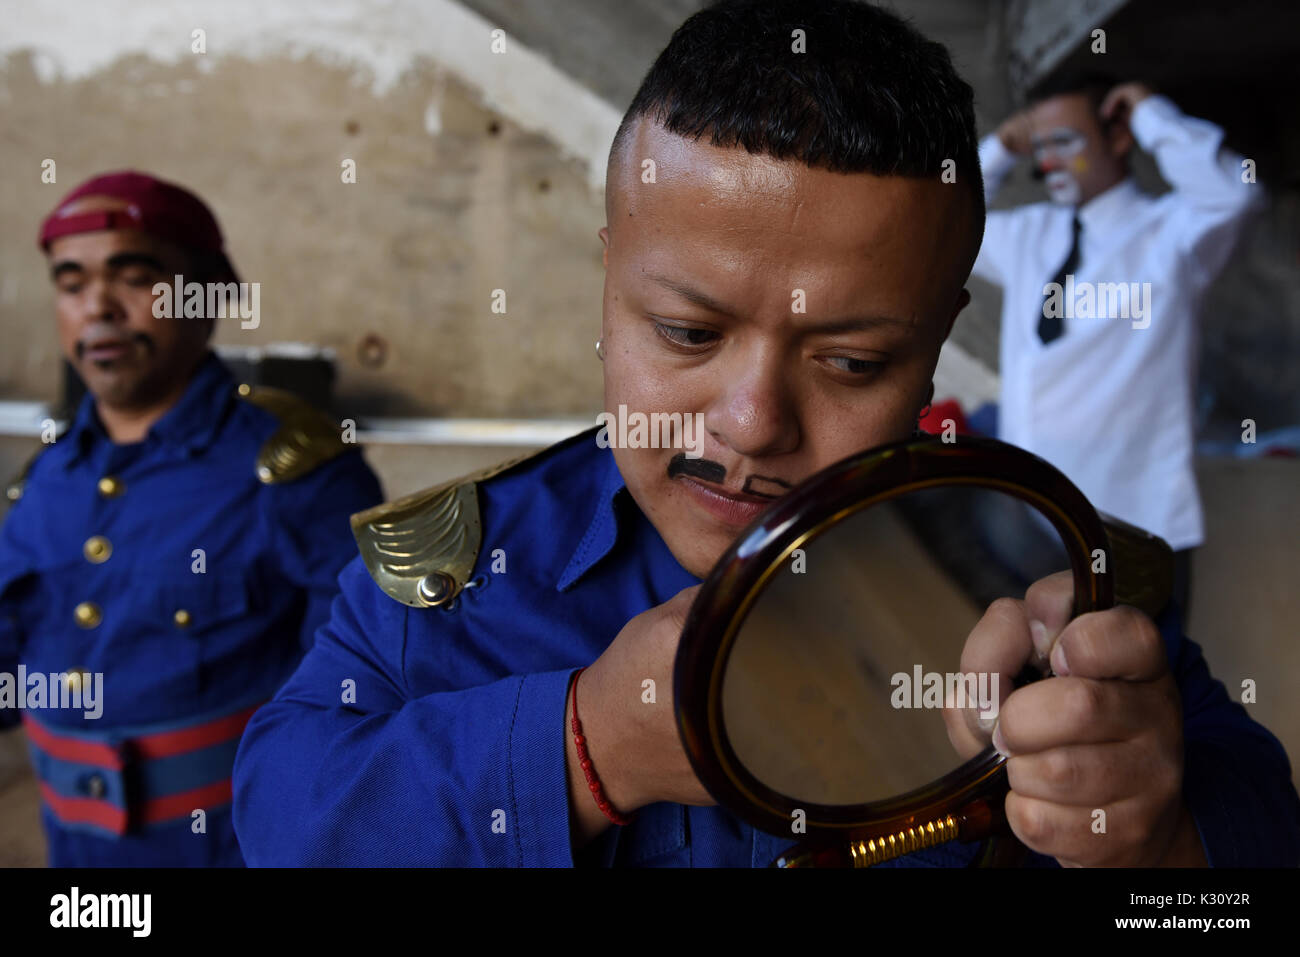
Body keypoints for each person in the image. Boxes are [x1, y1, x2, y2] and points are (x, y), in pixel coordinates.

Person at [232, 0, 1299, 867]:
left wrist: (1159, 844)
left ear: (933, 345)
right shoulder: (451, 582)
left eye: (851, 362)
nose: (750, 423)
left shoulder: (1058, 598)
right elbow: (282, 820)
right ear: (608, 283)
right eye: (687, 332)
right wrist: (582, 750)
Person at [0, 171, 383, 866]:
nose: (99, 309)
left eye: (134, 276)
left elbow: (364, 704)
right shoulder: (41, 484)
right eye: (71, 282)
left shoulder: (294, 474)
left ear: (210, 292)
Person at [973, 75, 1262, 615]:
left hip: (1131, 530)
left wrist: (1153, 116)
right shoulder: (1029, 235)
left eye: (1065, 141)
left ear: (1119, 139)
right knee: (1031, 686)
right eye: (1041, 147)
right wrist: (1000, 150)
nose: (1050, 161)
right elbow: (946, 223)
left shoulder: (1171, 236)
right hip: (1024, 517)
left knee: (1140, 688)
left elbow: (1235, 193)